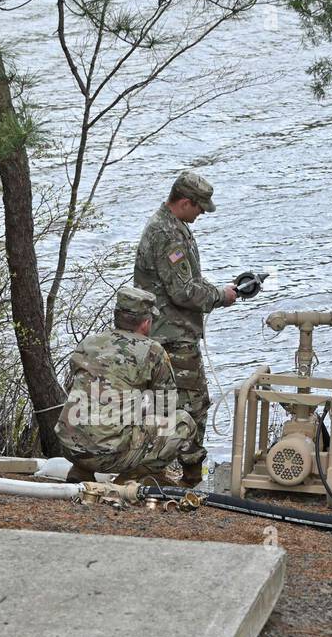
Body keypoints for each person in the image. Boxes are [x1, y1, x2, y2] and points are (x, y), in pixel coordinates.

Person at [133, 169, 238, 488]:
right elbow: (182, 291)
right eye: (199, 209)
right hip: (172, 337)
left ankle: (154, 468)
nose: (202, 215)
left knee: (162, 403)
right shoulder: (169, 234)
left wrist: (219, 288)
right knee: (192, 404)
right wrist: (222, 295)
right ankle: (190, 474)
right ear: (184, 202)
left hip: (164, 333)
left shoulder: (170, 225)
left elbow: (183, 281)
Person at [54, 286, 196, 485]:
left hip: (70, 448)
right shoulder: (152, 351)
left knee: (95, 408)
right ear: (146, 323)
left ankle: (82, 470)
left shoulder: (88, 343)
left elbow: (81, 388)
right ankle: (133, 477)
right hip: (109, 455)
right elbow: (167, 407)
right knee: (182, 422)